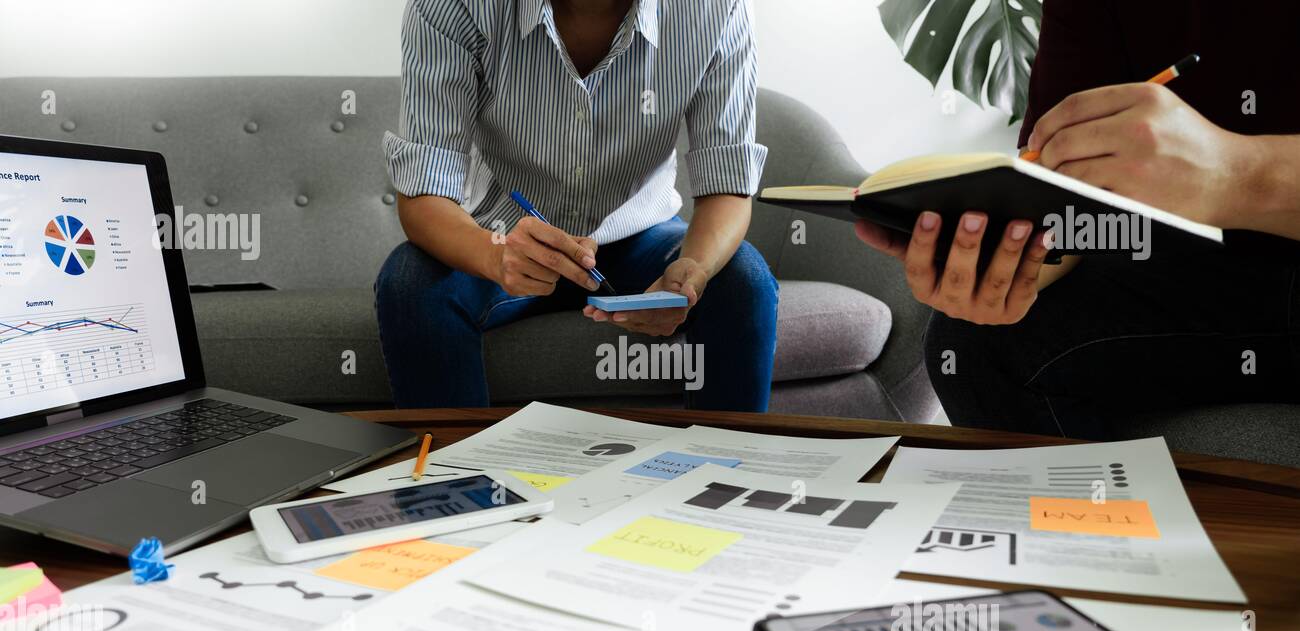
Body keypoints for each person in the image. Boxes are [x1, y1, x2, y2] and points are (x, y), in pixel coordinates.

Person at [854, 0, 1300, 439]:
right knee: (971, 343)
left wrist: (1236, 175)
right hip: (1211, 271)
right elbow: (1067, 201)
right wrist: (1007, 264)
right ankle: (1098, 511)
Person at [376, 0, 777, 410]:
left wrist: (696, 269)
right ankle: (453, 468)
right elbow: (424, 193)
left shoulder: (715, 10)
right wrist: (496, 257)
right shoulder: (452, 6)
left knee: (742, 278)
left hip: (640, 236)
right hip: (501, 236)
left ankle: (724, 467)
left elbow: (728, 185)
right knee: (410, 280)